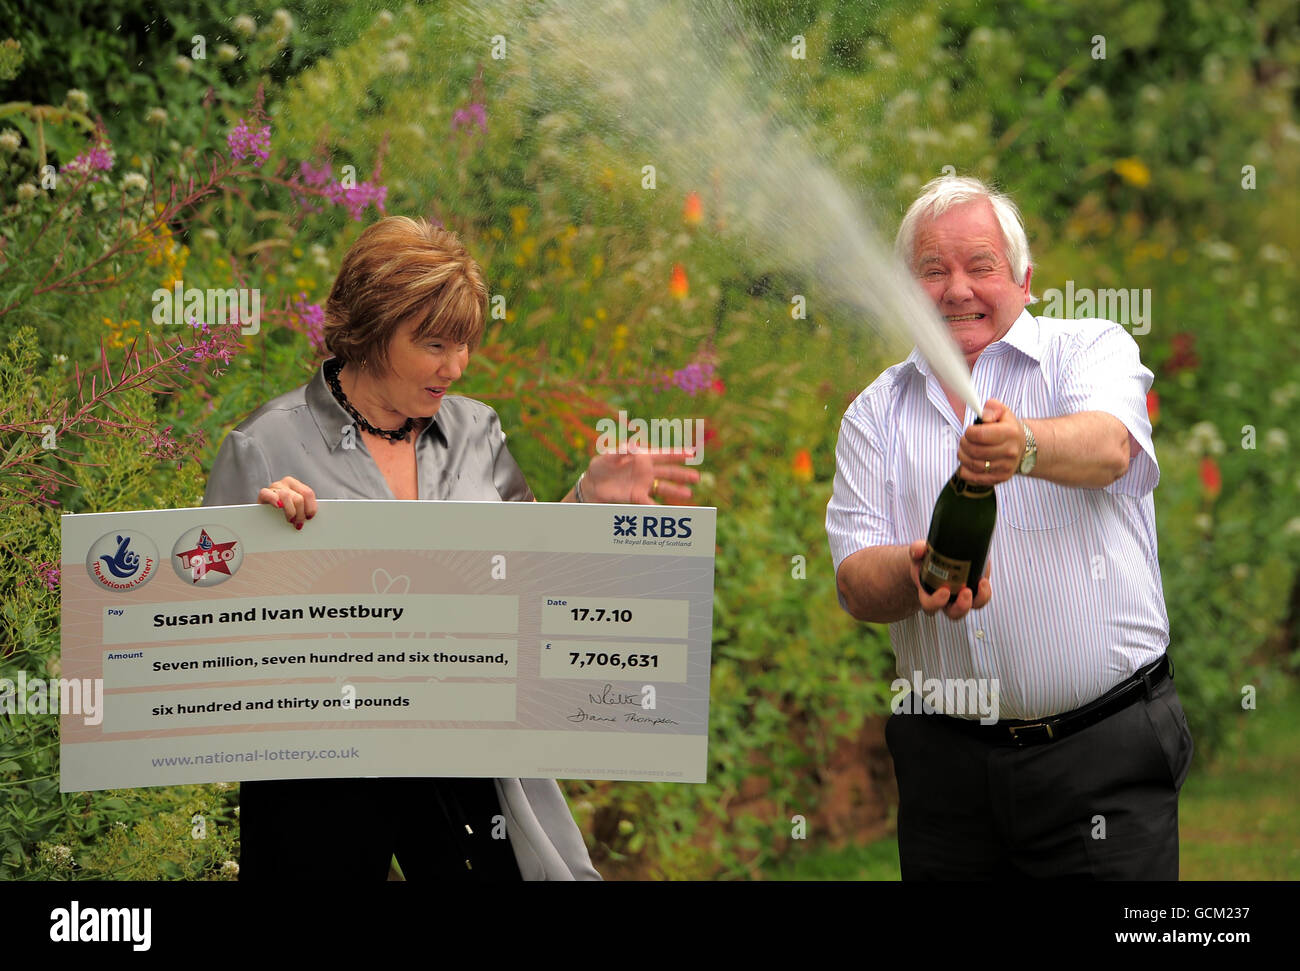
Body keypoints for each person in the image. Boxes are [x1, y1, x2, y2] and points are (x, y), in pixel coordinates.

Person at [202, 215, 700, 881]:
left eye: (463, 344)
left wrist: (586, 502)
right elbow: (207, 627)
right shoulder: (264, 444)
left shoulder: (475, 429)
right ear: (373, 330)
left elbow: (522, 570)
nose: (456, 366)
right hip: (324, 772)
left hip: (468, 749)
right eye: (434, 344)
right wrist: (262, 543)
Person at [825, 175, 1193, 879]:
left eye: (979, 266)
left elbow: (1112, 446)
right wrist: (915, 573)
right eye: (932, 271)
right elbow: (853, 582)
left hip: (1101, 756)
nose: (956, 288)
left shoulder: (1088, 349)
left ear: (1023, 280)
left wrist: (1025, 445)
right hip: (946, 777)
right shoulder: (873, 414)